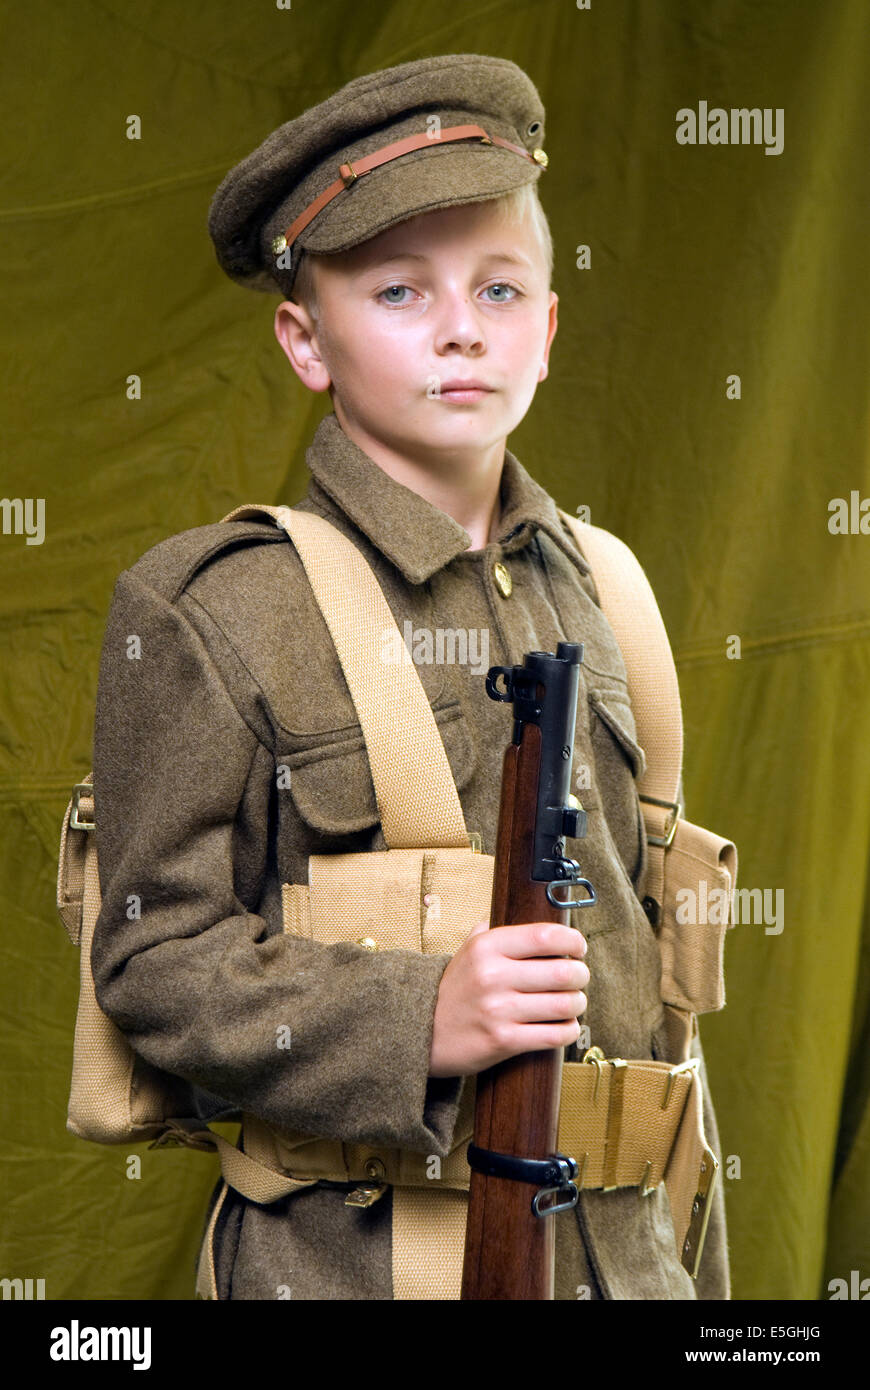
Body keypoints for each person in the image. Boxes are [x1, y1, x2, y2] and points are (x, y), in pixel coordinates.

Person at [90, 52, 730, 1300]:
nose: (458, 326)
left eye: (499, 288)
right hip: (362, 1267)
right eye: (397, 290)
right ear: (304, 339)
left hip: (630, 1261)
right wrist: (422, 1013)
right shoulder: (216, 607)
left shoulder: (612, 594)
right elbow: (149, 953)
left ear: (547, 329)